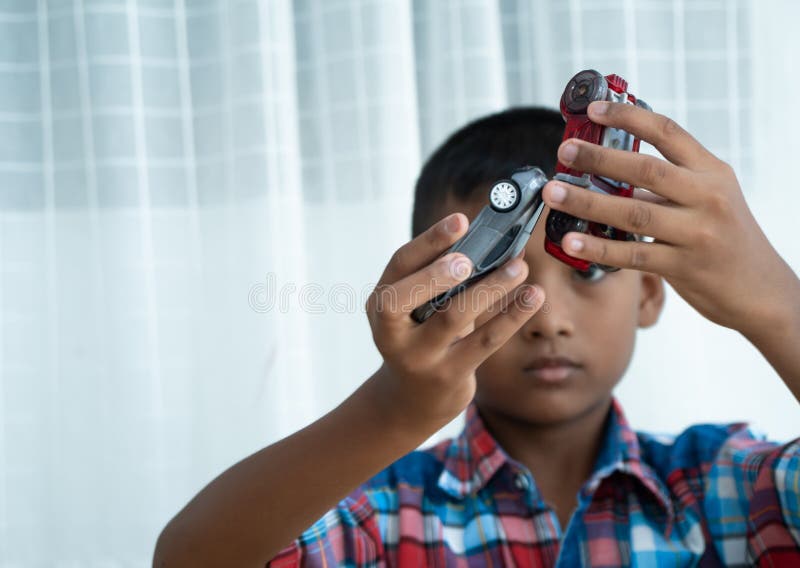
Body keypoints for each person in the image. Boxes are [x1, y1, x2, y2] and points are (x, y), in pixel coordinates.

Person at [153, 103, 800, 567]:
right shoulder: (382, 517)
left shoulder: (729, 486)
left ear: (650, 290)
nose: (546, 318)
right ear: (432, 294)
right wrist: (393, 408)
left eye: (588, 270)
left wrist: (778, 303)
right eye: (496, 277)